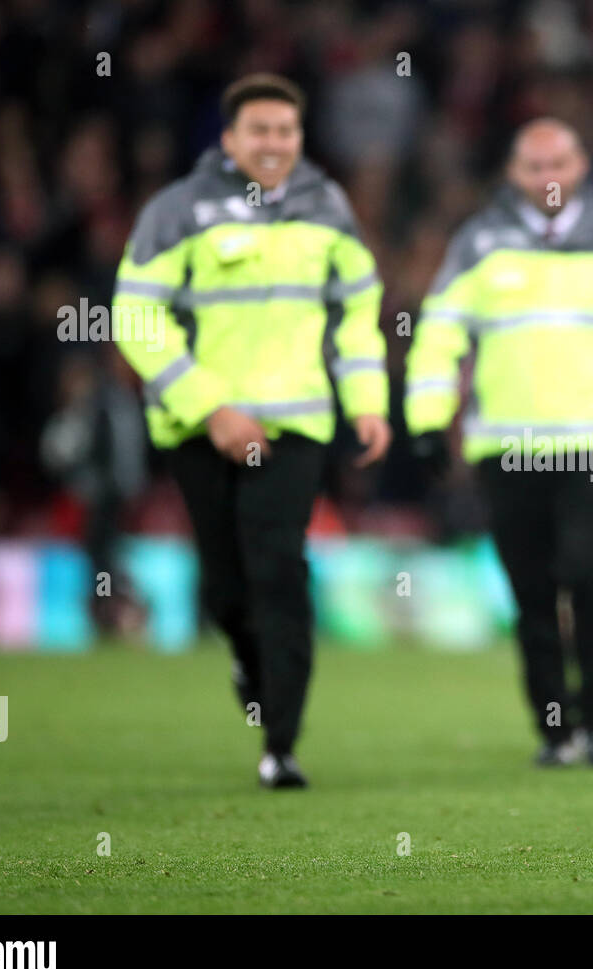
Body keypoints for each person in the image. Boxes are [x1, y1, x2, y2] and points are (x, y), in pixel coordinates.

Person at [112, 73, 391, 788]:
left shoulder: (328, 207)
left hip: (296, 420)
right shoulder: (177, 209)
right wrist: (212, 407)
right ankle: (249, 663)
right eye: (260, 131)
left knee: (278, 568)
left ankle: (281, 742)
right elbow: (136, 317)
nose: (274, 144)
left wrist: (367, 400)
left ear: (300, 138)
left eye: (286, 131)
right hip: (199, 428)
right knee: (225, 588)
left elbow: (356, 315)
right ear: (230, 139)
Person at [404, 119, 593, 767]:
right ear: (513, 174)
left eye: (560, 161)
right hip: (505, 447)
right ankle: (555, 729)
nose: (548, 175)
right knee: (529, 591)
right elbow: (439, 333)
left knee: (586, 575)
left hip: (592, 444)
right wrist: (426, 418)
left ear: (582, 165)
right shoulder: (480, 244)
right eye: (533, 164)